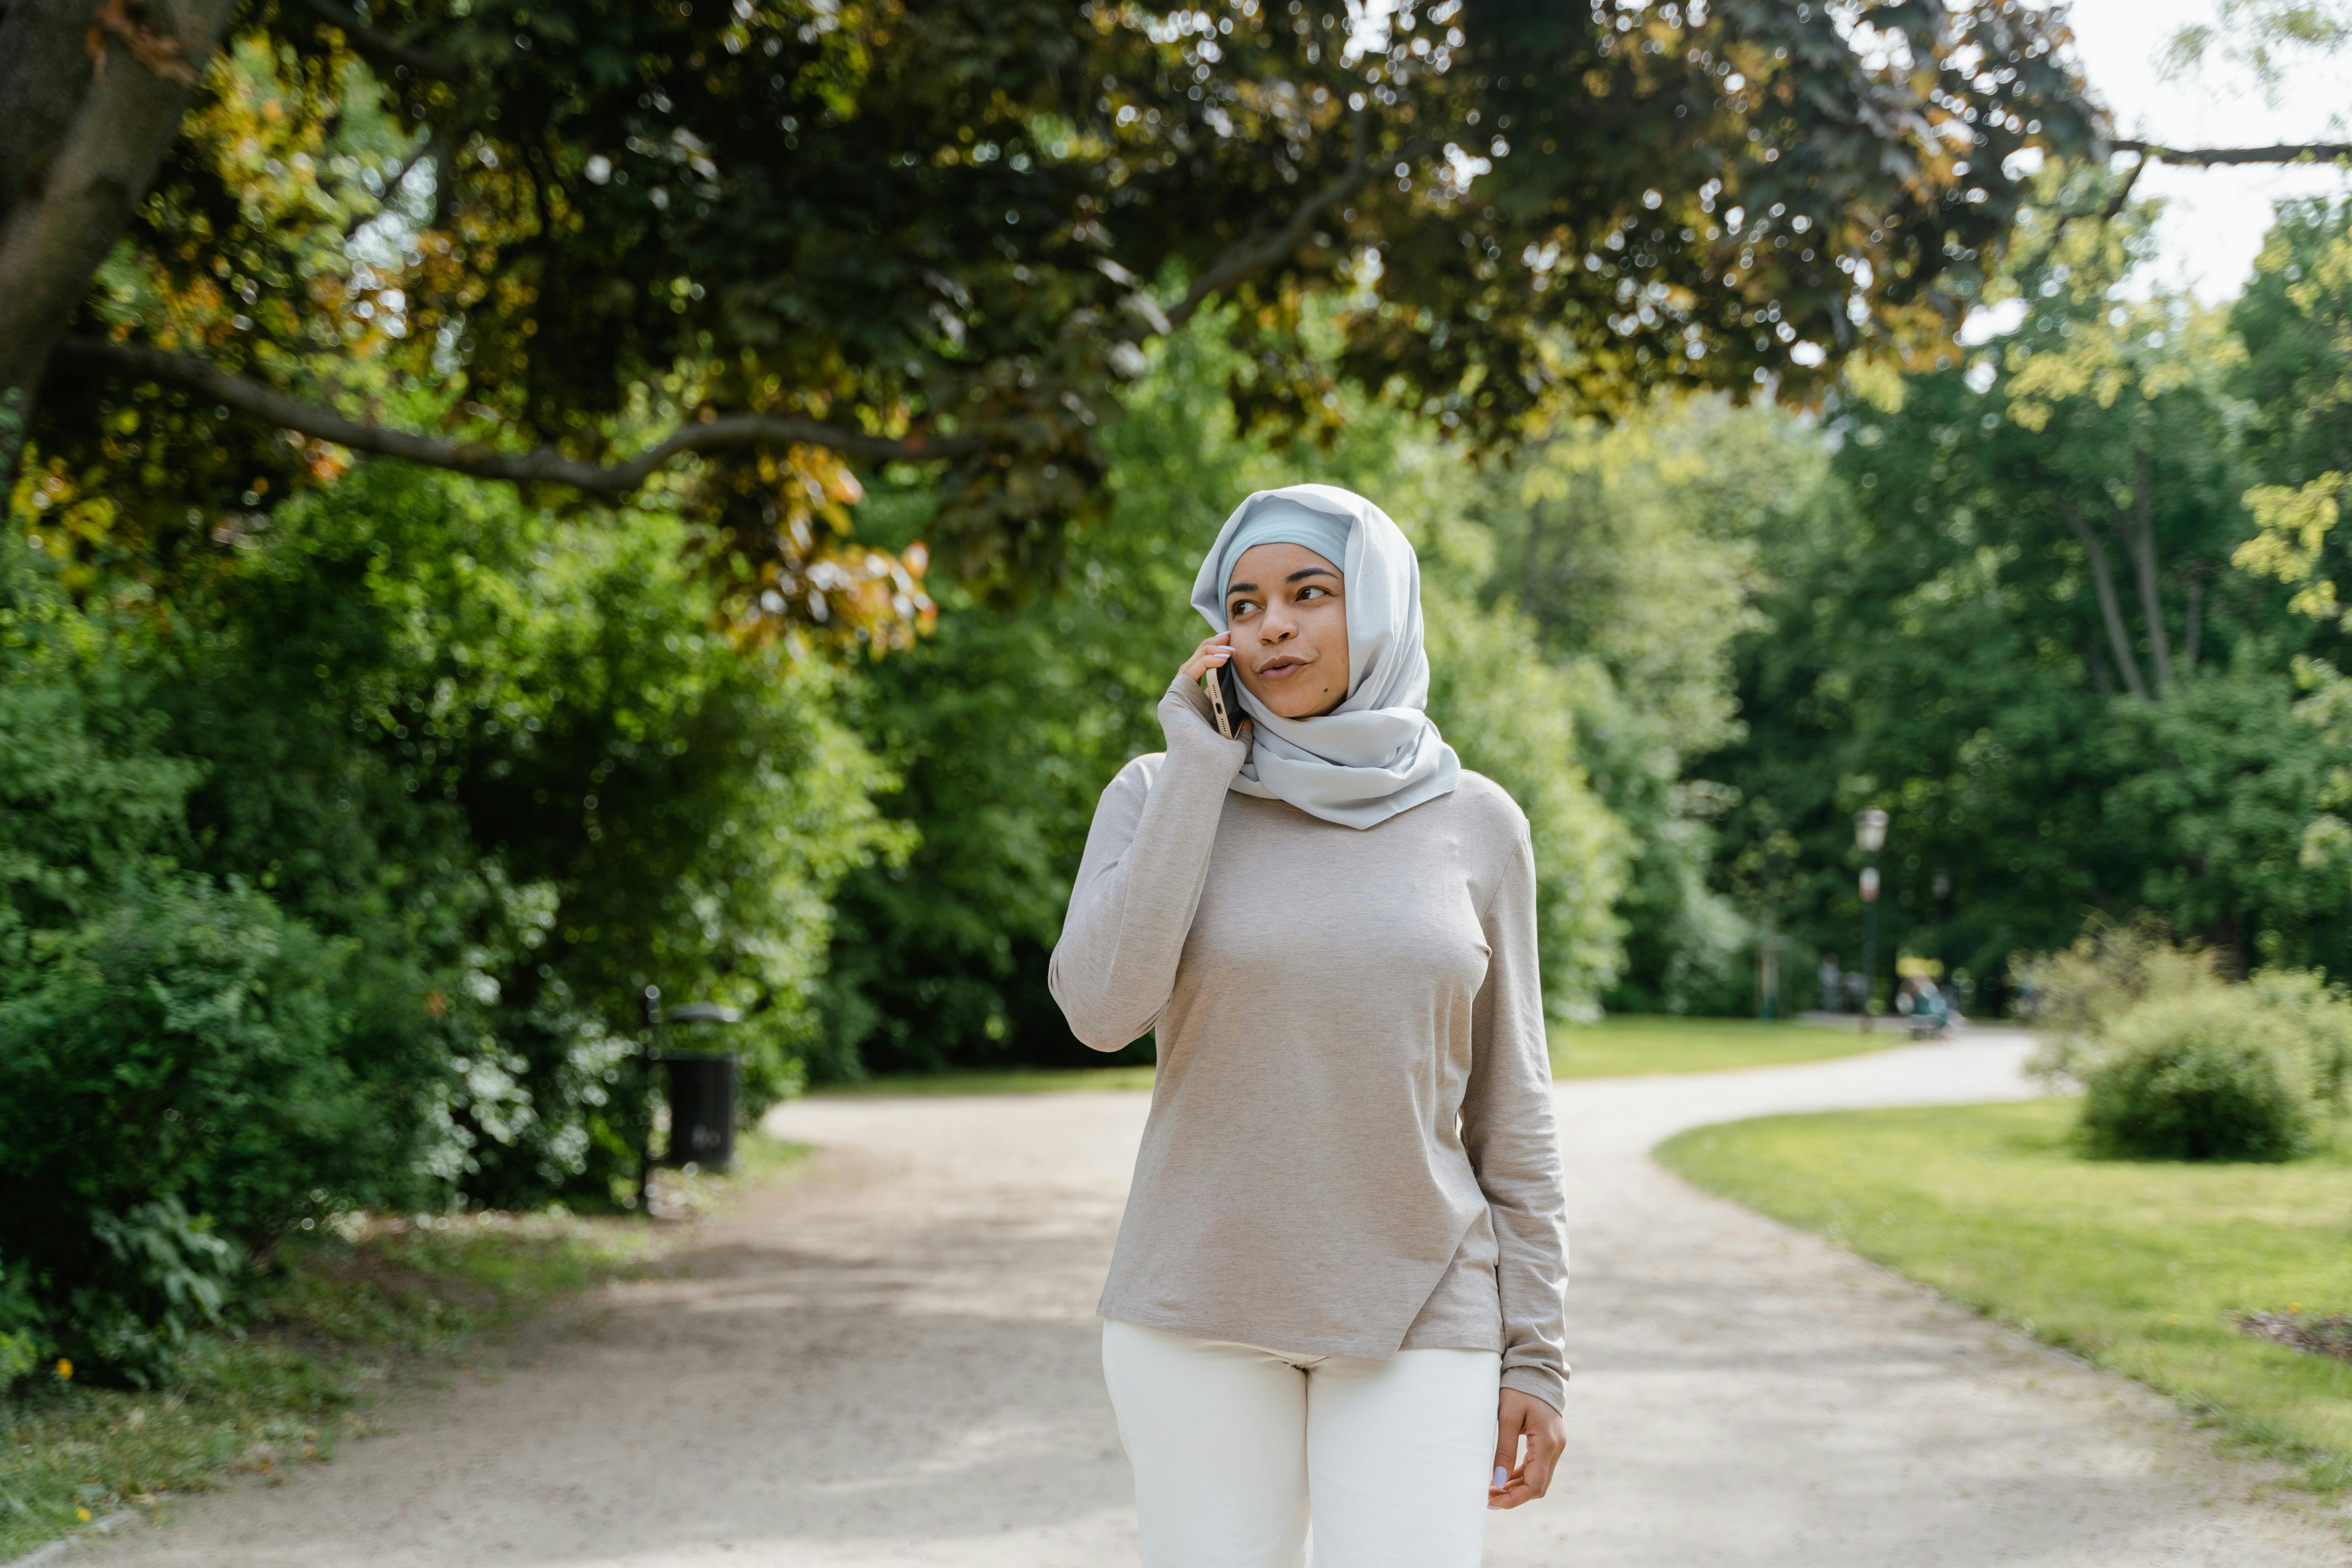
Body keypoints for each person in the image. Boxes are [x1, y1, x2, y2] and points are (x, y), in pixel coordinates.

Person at [1049, 484, 1569, 1568]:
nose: (1272, 624)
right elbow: (1100, 1012)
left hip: (1424, 1305)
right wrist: (1201, 772)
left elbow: (1511, 1107)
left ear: (1376, 605)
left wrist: (1538, 1357)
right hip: (1197, 1302)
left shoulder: (1478, 823)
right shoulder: (1155, 795)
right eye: (1244, 604)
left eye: (1309, 592)